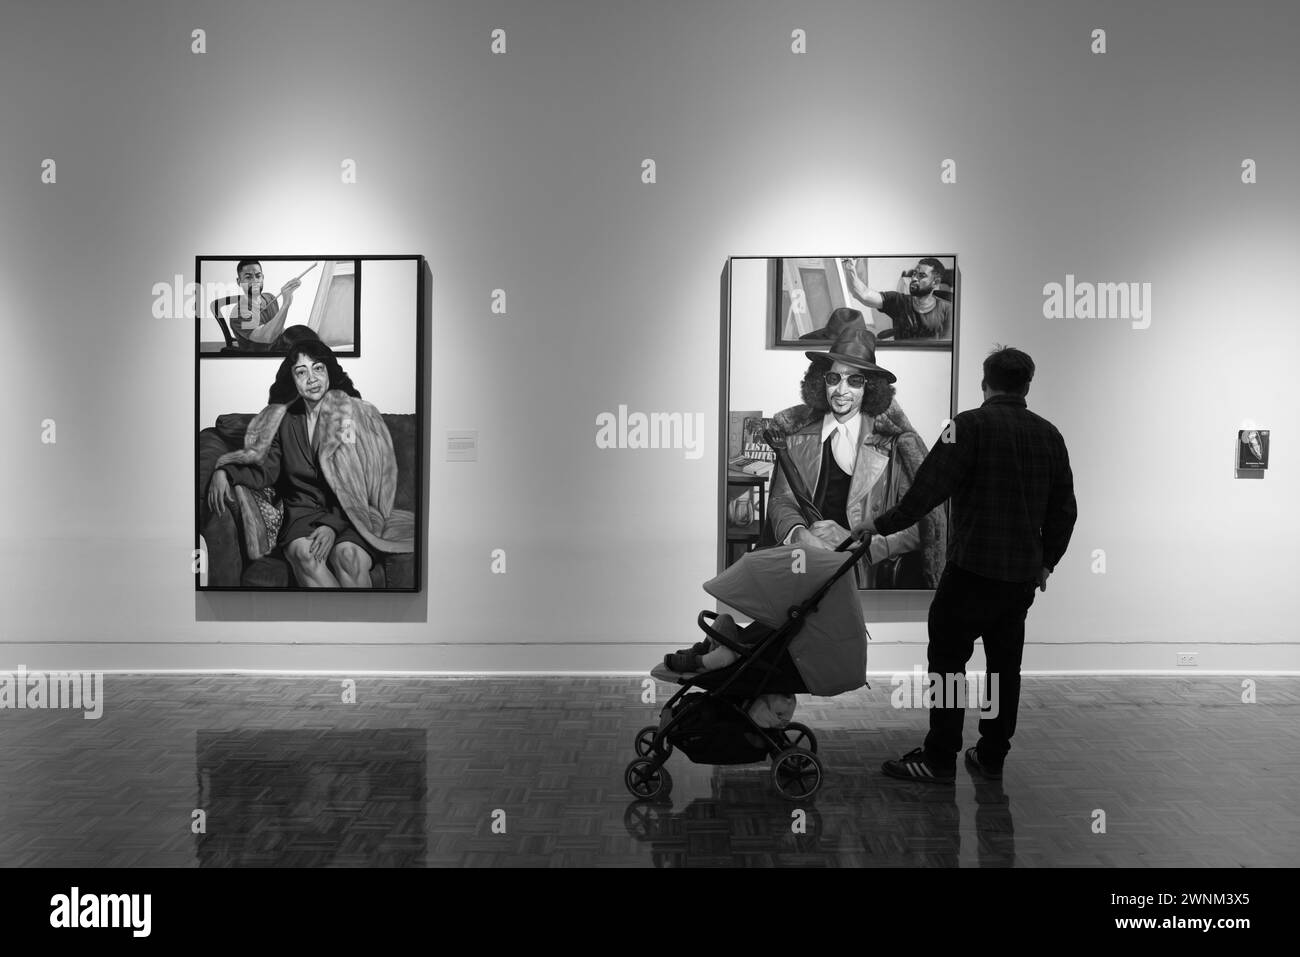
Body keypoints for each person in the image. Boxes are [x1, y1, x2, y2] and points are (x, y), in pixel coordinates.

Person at [854, 346, 1077, 783]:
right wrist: (1047, 560)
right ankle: (992, 752)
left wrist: (878, 526)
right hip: (1018, 579)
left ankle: (940, 757)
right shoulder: (1049, 435)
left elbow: (926, 492)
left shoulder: (967, 427)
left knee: (948, 664)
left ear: (984, 382)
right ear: (1027, 385)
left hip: (971, 572)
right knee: (1003, 668)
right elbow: (1064, 509)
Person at [206, 338, 414, 587]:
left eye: (318, 368)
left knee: (349, 558)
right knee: (307, 556)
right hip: (301, 514)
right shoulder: (284, 421)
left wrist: (332, 526)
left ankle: (359, 627)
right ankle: (335, 627)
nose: (311, 378)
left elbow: (356, 485)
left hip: (350, 513)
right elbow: (265, 468)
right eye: (301, 372)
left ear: (329, 372)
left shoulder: (349, 418)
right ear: (292, 380)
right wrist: (226, 472)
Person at [766, 327, 947, 589]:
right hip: (803, 570)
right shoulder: (794, 438)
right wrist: (798, 535)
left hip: (862, 579)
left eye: (854, 381)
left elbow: (919, 526)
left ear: (870, 388)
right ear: (821, 381)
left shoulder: (893, 447)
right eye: (833, 378)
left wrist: (856, 541)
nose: (841, 390)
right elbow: (782, 500)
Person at [842, 257, 952, 341]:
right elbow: (863, 294)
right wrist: (849, 267)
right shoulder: (898, 301)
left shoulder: (948, 310)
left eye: (921, 275)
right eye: (914, 273)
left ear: (936, 282)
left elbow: (947, 347)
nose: (914, 278)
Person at [226, 259, 302, 352]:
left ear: (263, 277)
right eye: (248, 277)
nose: (255, 281)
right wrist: (286, 304)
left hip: (280, 347)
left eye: (258, 276)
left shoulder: (270, 297)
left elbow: (279, 329)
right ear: (239, 281)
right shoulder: (238, 314)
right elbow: (268, 337)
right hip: (261, 357)